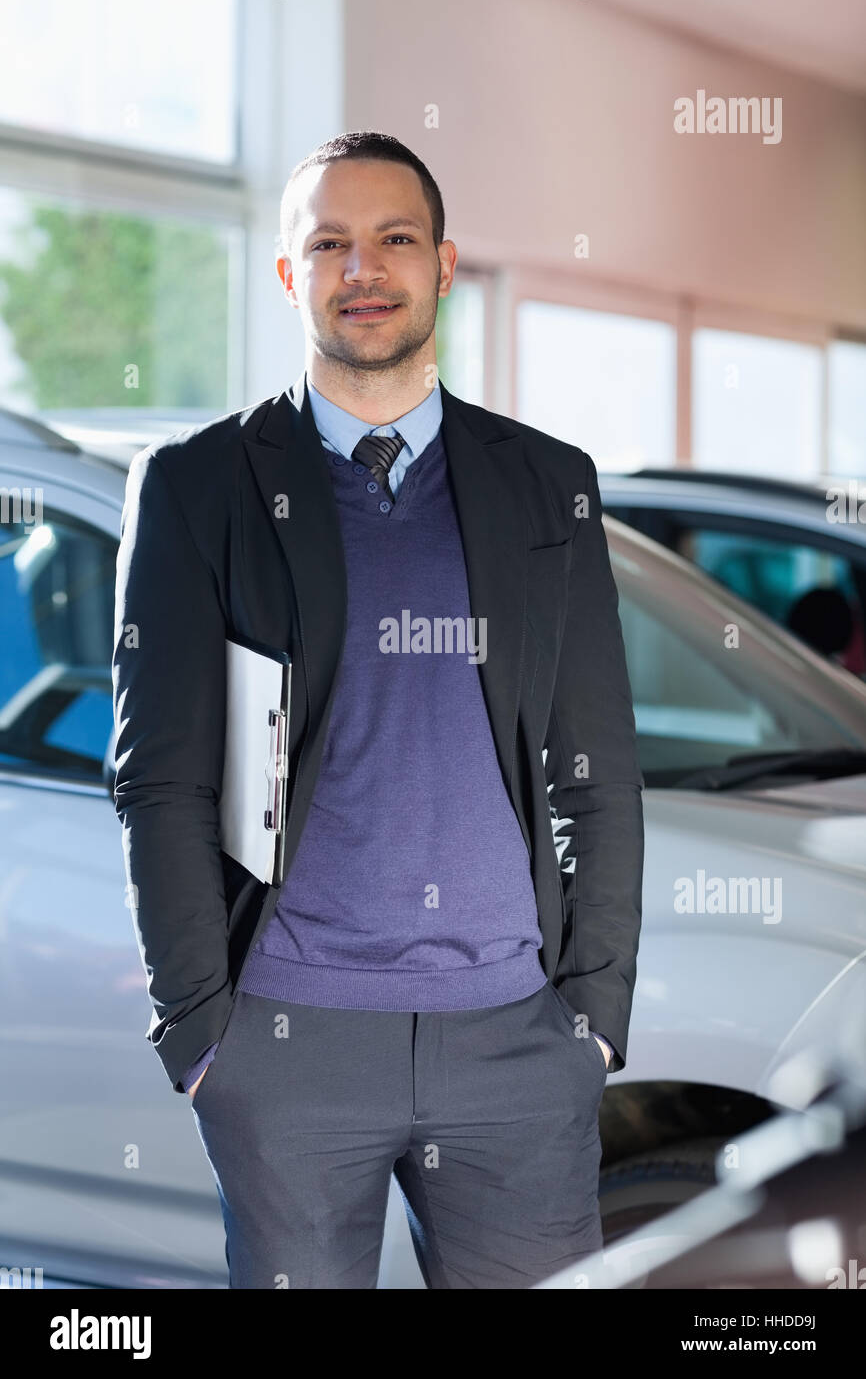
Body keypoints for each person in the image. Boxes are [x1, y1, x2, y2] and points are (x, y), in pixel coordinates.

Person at [111, 130, 644, 1289]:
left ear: (443, 265)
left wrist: (590, 1018)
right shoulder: (201, 486)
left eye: (394, 239)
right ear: (289, 275)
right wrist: (205, 1036)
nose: (365, 269)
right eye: (330, 244)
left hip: (514, 1040)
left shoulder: (546, 482)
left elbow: (593, 765)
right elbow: (160, 779)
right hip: (288, 1043)